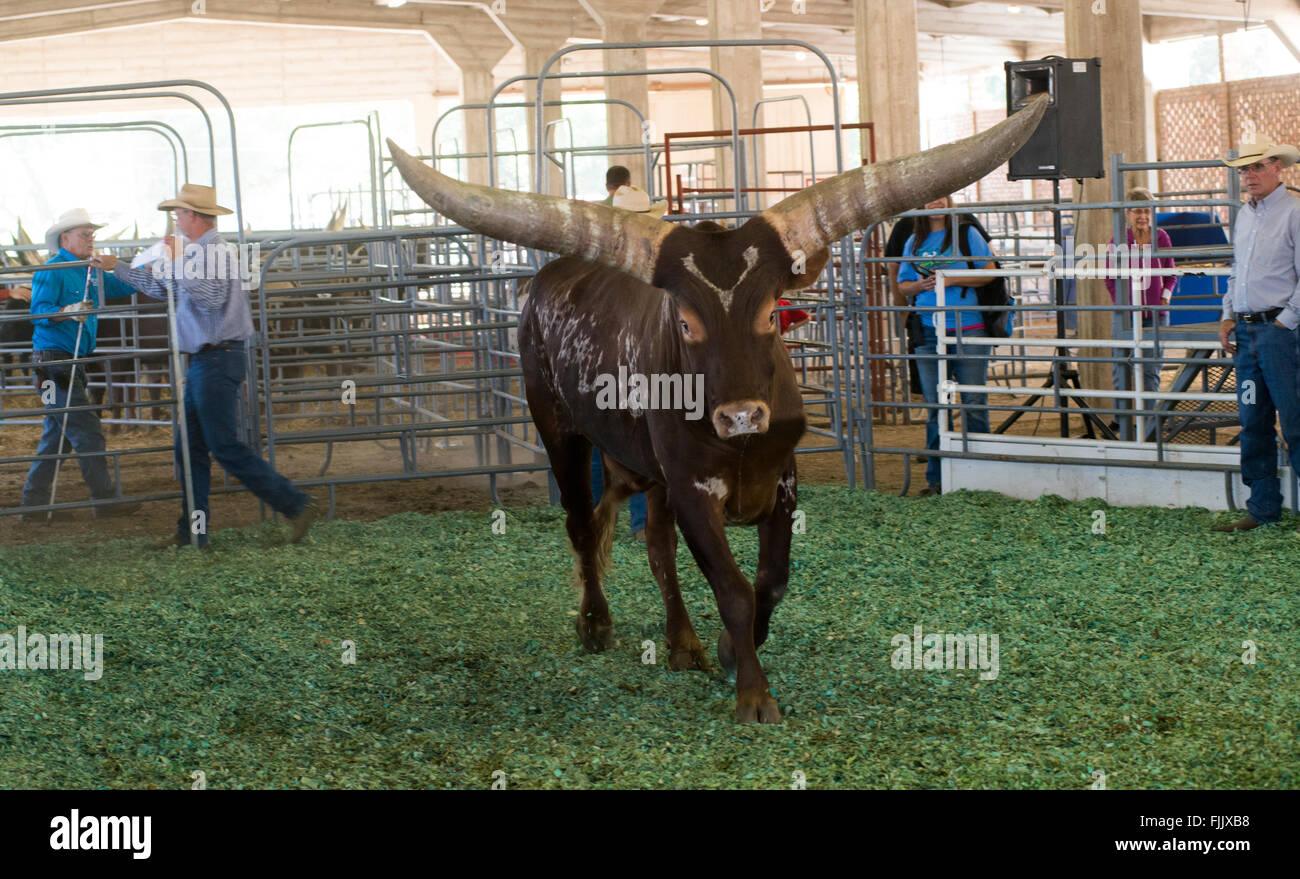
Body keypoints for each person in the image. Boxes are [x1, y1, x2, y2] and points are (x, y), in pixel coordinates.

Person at [94, 184, 319, 548]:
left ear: (195, 217)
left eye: (179, 214)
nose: (176, 221)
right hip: (206, 360)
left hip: (217, 357)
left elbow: (211, 299)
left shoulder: (217, 252)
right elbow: (164, 288)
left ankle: (295, 503)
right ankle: (193, 531)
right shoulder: (197, 252)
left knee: (223, 446)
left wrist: (177, 259)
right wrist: (118, 267)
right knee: (190, 451)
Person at [21, 208, 142, 520]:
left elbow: (122, 287)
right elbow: (39, 311)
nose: (91, 239)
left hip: (69, 362)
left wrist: (144, 266)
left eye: (92, 234)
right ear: (66, 238)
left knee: (57, 437)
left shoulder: (91, 269)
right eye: (84, 234)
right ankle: (103, 500)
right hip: (54, 363)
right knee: (86, 431)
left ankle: (34, 505)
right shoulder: (51, 270)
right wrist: (67, 310)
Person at [1211, 138, 1300, 532]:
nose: (1249, 176)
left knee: (1296, 423)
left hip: (1281, 333)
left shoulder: (1295, 212)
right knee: (1253, 422)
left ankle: (1267, 509)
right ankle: (1263, 509)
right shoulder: (1244, 216)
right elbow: (1236, 269)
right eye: (1244, 170)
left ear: (1277, 167)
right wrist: (1229, 314)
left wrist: (1286, 320)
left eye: (1257, 167)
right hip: (1249, 332)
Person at [896, 195, 996, 497]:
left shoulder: (968, 234)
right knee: (935, 407)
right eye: (928, 198)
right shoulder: (913, 241)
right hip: (928, 328)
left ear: (950, 201)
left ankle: (981, 477)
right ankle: (936, 480)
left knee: (973, 402)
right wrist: (920, 286)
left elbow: (990, 271)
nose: (935, 203)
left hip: (968, 327)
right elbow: (903, 285)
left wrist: (951, 280)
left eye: (941, 197)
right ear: (921, 206)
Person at [1105, 186, 1177, 440]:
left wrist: (1165, 298)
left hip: (1156, 313)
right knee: (1121, 366)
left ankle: (1146, 423)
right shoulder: (1118, 240)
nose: (1143, 216)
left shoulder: (1162, 238)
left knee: (1151, 368)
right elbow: (1110, 278)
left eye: (1147, 211)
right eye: (1137, 211)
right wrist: (1122, 304)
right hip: (1126, 313)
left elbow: (1170, 274)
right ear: (1128, 213)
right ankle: (1121, 421)